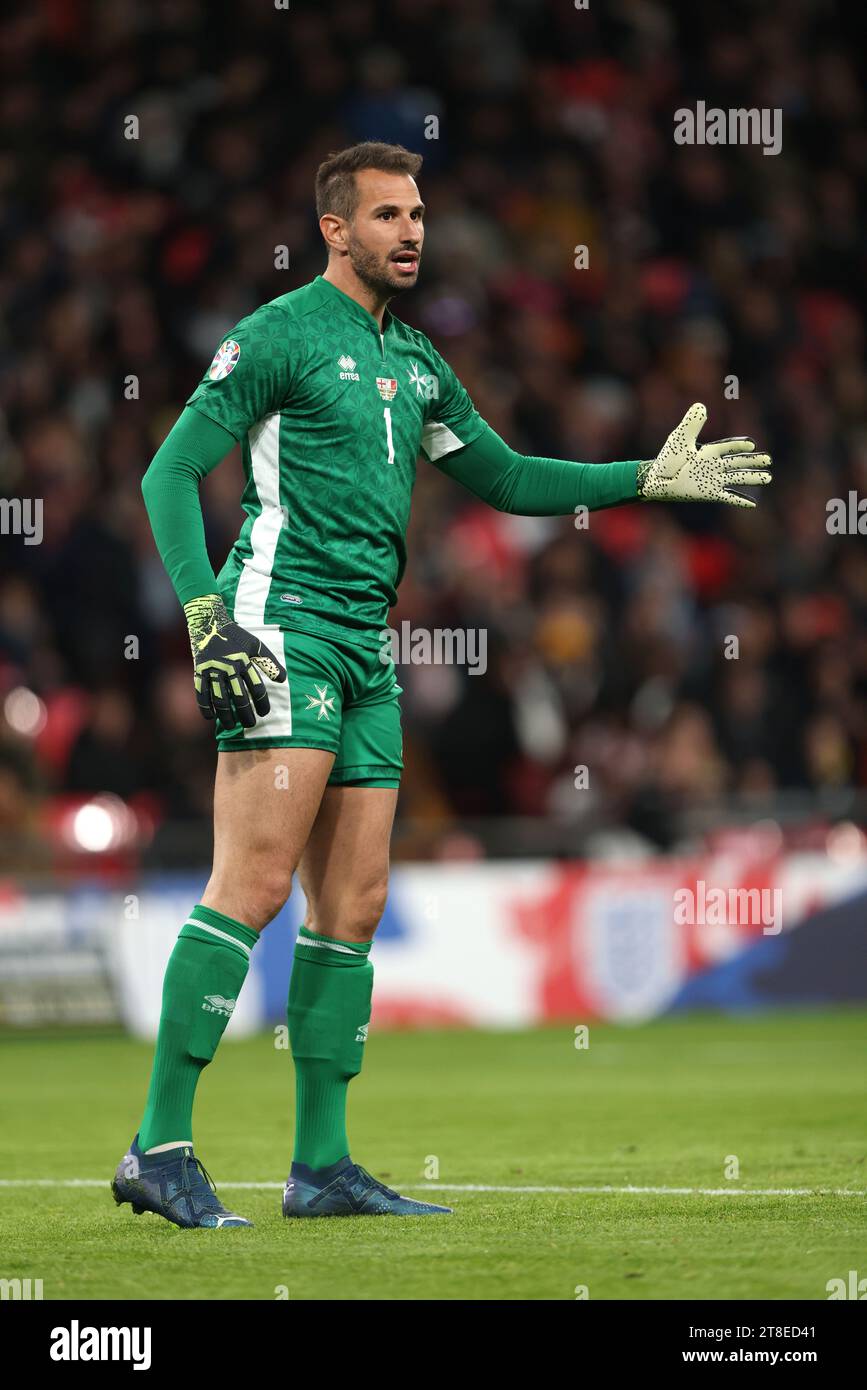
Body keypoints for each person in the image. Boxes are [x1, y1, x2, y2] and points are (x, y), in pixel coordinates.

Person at [112, 141, 772, 1227]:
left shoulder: (417, 361)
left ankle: (321, 1166)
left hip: (368, 651)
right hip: (279, 630)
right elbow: (169, 471)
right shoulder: (278, 334)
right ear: (335, 229)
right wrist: (205, 615)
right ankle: (160, 1143)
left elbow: (508, 475)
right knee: (255, 883)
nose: (411, 230)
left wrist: (644, 476)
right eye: (387, 215)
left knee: (356, 904)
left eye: (417, 213)